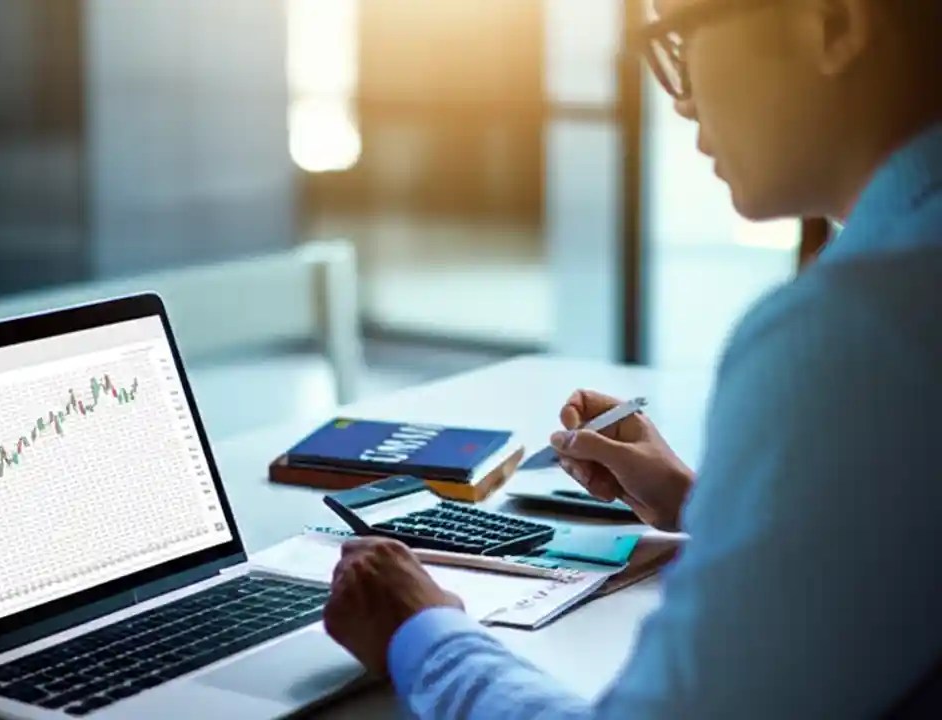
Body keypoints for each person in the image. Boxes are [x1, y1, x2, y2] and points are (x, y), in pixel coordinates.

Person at [321, 0, 942, 717]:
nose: (678, 99)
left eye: (678, 40)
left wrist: (420, 632)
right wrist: (708, 502)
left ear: (832, 23)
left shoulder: (855, 333)